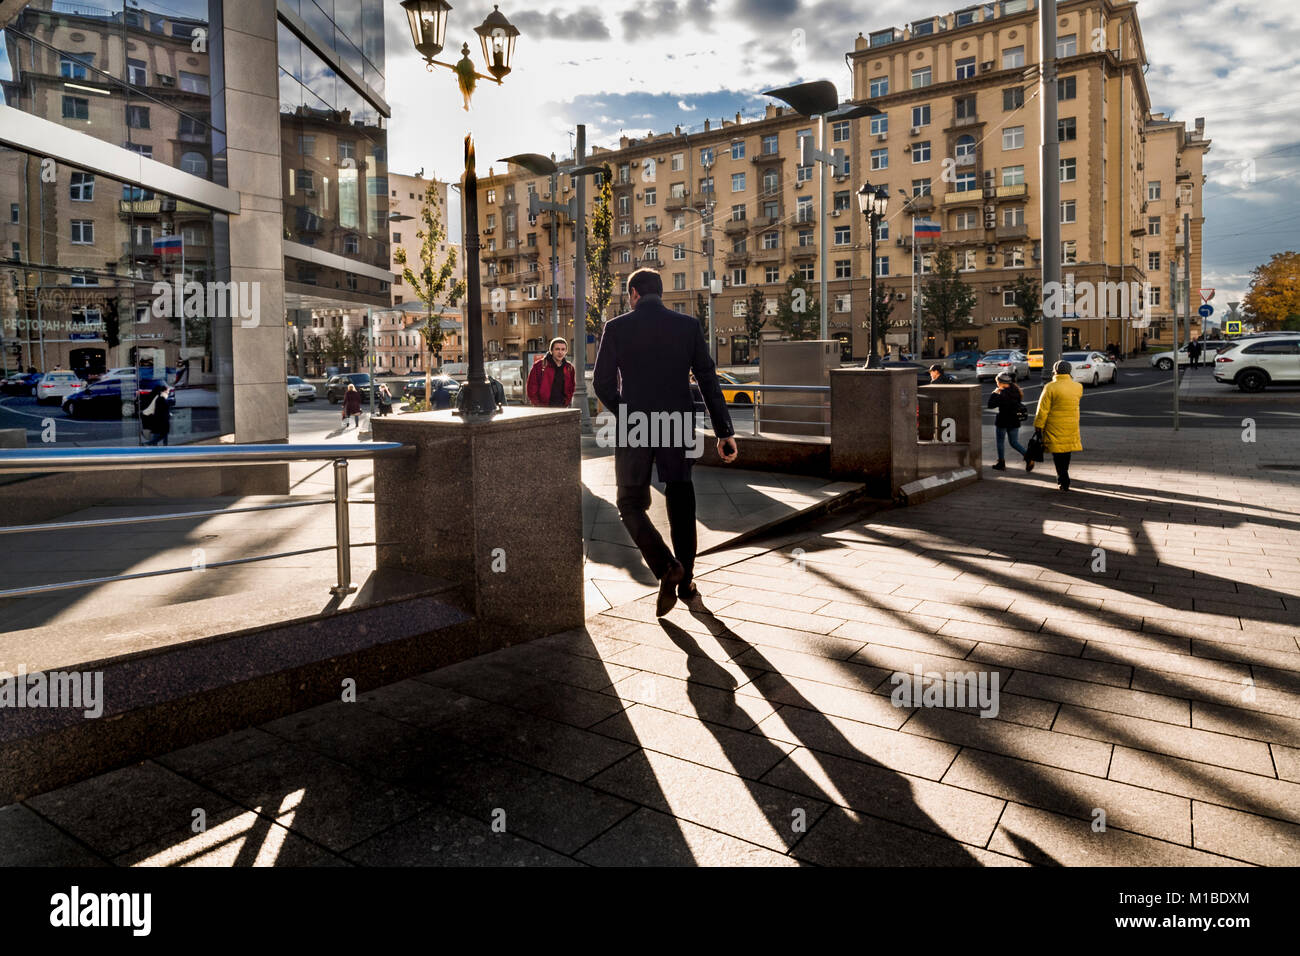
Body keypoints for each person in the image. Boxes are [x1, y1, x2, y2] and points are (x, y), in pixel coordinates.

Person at [593, 268, 738, 616]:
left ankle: (665, 566)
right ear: (660, 292)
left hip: (635, 424)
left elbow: (601, 384)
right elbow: (707, 379)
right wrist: (724, 432)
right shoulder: (687, 326)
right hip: (678, 421)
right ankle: (686, 580)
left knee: (629, 502)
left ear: (633, 294)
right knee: (681, 496)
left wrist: (626, 411)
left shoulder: (616, 328)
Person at [1033, 359, 1083, 491]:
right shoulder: (1078, 387)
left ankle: (1062, 477)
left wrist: (1038, 425)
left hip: (1054, 425)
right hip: (1071, 424)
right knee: (1066, 451)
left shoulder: (1050, 387)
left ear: (1055, 371)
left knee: (1057, 453)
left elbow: (1042, 409)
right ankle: (1064, 475)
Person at [988, 372, 1029, 471]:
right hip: (1015, 421)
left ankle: (1001, 463)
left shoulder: (1002, 393)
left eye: (997, 382)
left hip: (1003, 421)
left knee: (1000, 442)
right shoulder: (1016, 390)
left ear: (1001, 383)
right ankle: (1028, 456)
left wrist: (995, 392)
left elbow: (990, 405)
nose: (997, 384)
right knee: (1014, 442)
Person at [527, 337, 576, 407]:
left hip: (562, 407)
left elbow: (571, 388)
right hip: (543, 408)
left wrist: (566, 402)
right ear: (551, 350)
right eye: (557, 349)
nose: (560, 352)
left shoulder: (569, 368)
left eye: (563, 349)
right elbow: (531, 387)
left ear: (566, 351)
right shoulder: (539, 365)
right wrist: (538, 405)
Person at [141, 381, 170, 446]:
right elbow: (159, 410)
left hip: (159, 418)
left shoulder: (161, 398)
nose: (169, 391)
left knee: (161, 434)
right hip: (161, 419)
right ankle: (149, 444)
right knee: (161, 434)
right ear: (164, 391)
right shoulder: (161, 398)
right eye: (168, 390)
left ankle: (160, 445)